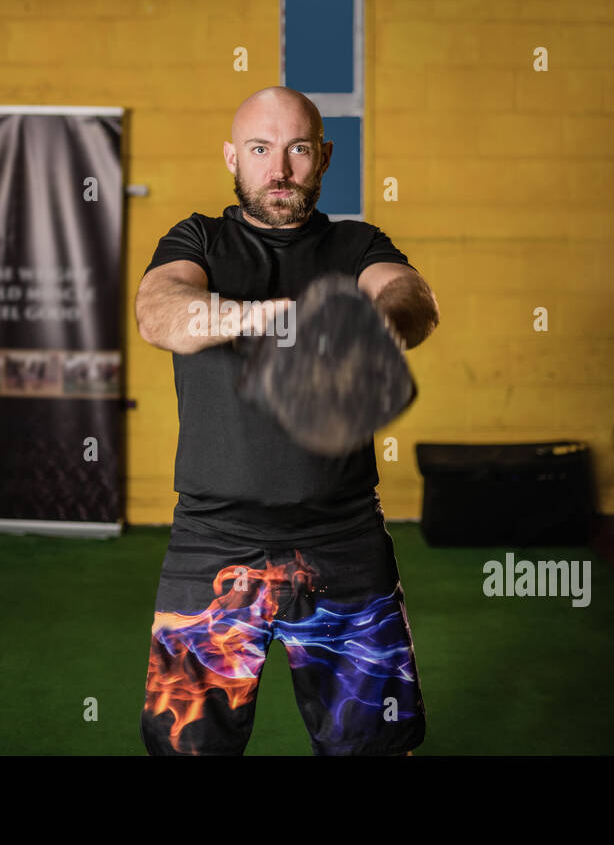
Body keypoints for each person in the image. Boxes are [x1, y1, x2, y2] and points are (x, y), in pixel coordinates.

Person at [134, 86, 440, 756]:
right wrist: (267, 317)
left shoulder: (357, 245)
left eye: (298, 149)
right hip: (212, 543)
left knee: (374, 746)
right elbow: (159, 311)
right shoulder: (199, 240)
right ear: (231, 158)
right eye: (260, 149)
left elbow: (411, 299)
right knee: (186, 749)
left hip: (344, 542)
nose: (278, 170)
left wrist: (367, 322)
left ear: (323, 156)